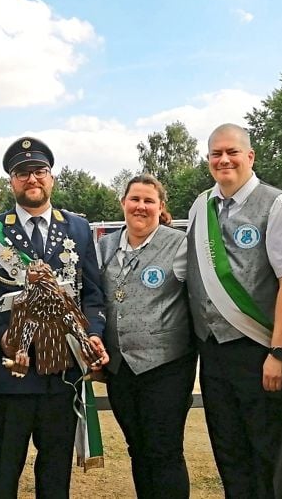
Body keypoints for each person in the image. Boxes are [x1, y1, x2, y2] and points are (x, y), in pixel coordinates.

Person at [0, 136, 109, 499]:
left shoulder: (78, 228)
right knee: (4, 470)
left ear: (51, 177)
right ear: (11, 182)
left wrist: (92, 334)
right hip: (10, 374)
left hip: (62, 375)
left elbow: (92, 295)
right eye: (23, 173)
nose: (32, 179)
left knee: (56, 472)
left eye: (39, 171)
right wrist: (2, 339)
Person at [185, 123, 282, 499]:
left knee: (271, 458)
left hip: (259, 350)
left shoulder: (278, 205)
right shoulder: (201, 206)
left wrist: (279, 352)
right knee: (230, 454)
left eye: (232, 152)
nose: (224, 160)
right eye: (216, 153)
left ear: (250, 156)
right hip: (213, 352)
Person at [97, 174, 195, 498]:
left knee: (164, 450)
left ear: (161, 206)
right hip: (120, 368)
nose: (141, 206)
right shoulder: (104, 245)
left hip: (166, 367)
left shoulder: (179, 244)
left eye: (149, 201)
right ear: (123, 203)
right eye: (135, 199)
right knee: (136, 448)